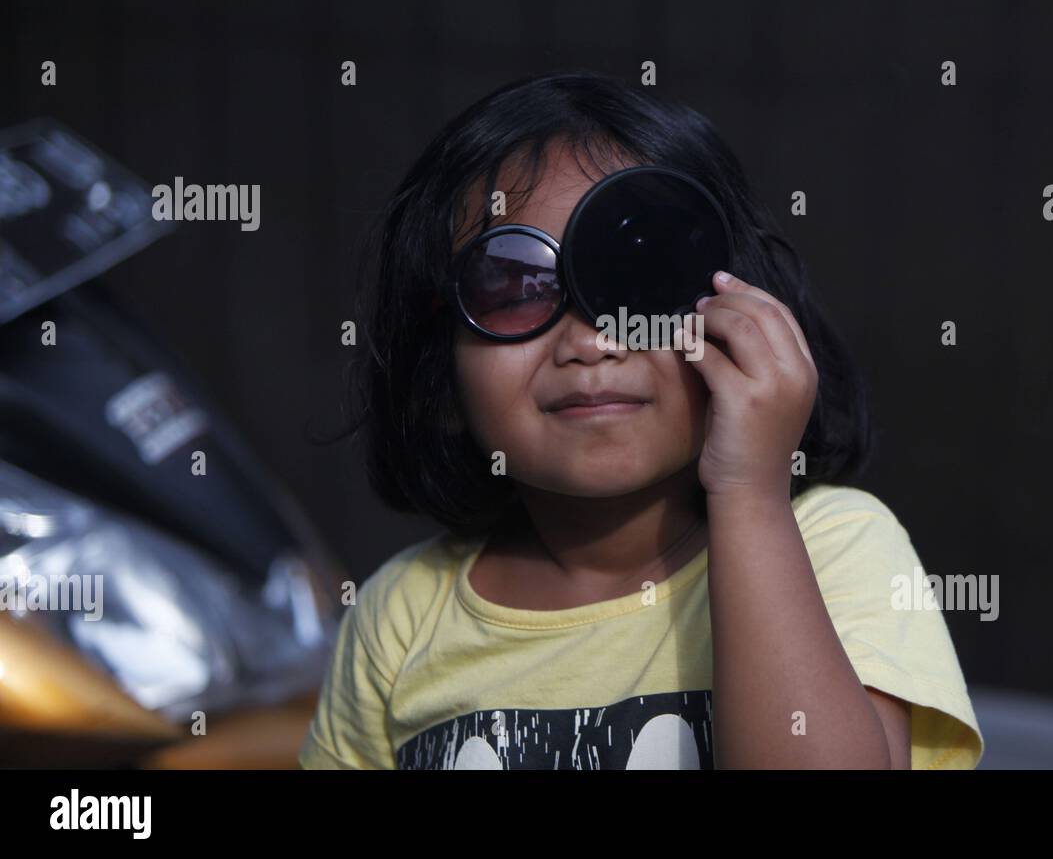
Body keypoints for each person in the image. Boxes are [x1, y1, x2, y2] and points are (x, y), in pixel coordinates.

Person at [299, 70, 984, 770]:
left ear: (745, 318)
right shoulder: (400, 618)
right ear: (439, 368)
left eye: (642, 277)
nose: (591, 341)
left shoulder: (832, 546)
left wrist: (750, 494)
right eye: (512, 285)